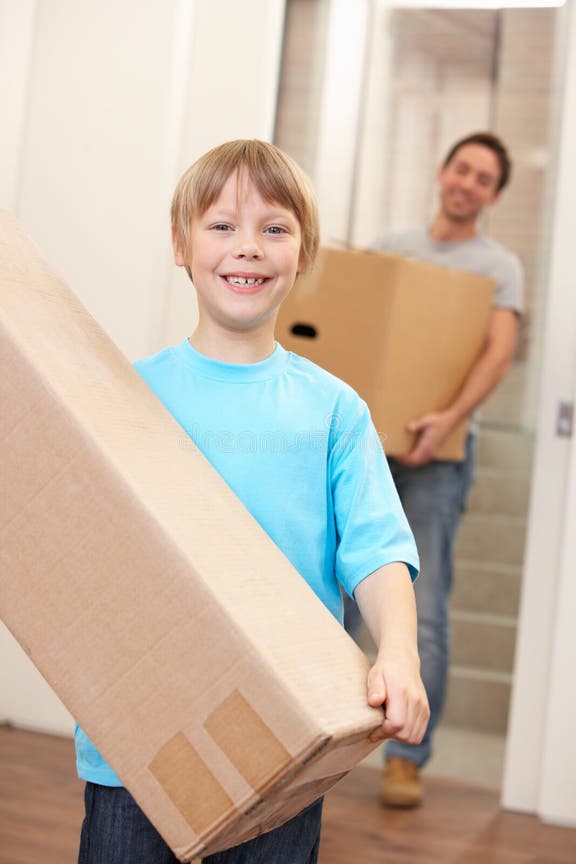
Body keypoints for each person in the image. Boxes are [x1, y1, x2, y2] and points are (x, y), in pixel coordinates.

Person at [74, 139, 429, 864]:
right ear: (181, 245)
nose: (249, 248)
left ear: (305, 252)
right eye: (222, 225)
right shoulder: (127, 397)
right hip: (139, 742)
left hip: (282, 743)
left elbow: (377, 548)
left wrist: (398, 651)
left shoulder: (333, 410)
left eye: (274, 228)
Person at [348, 131, 523, 808]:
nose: (469, 183)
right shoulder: (393, 247)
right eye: (463, 169)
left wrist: (446, 421)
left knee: (422, 607)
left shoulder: (498, 265)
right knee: (332, 594)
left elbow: (498, 355)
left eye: (484, 178)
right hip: (367, 446)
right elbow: (354, 329)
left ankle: (407, 758)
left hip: (438, 456)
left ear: (495, 195)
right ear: (442, 171)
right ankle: (312, 740)